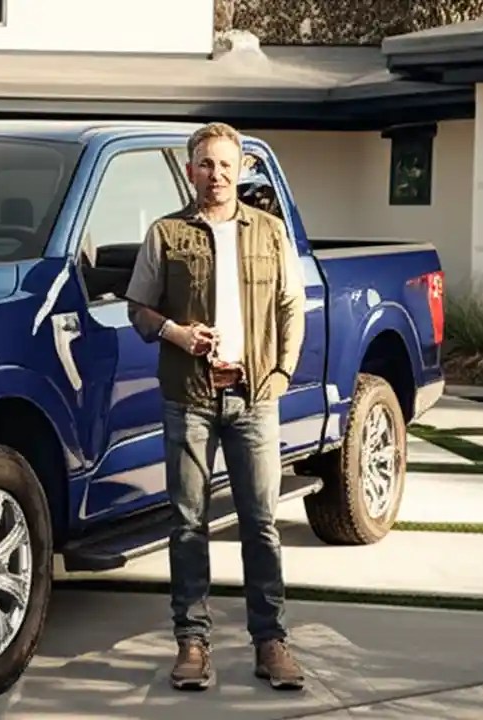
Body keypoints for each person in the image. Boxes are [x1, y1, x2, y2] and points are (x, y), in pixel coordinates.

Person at [124, 122, 306, 691]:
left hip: (255, 398)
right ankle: (193, 644)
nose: (217, 174)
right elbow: (139, 310)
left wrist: (281, 373)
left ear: (243, 168)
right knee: (186, 525)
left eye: (227, 164)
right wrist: (177, 334)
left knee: (261, 524)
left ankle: (271, 642)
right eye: (206, 164)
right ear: (190, 169)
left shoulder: (271, 233)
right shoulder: (166, 233)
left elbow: (291, 305)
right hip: (189, 399)